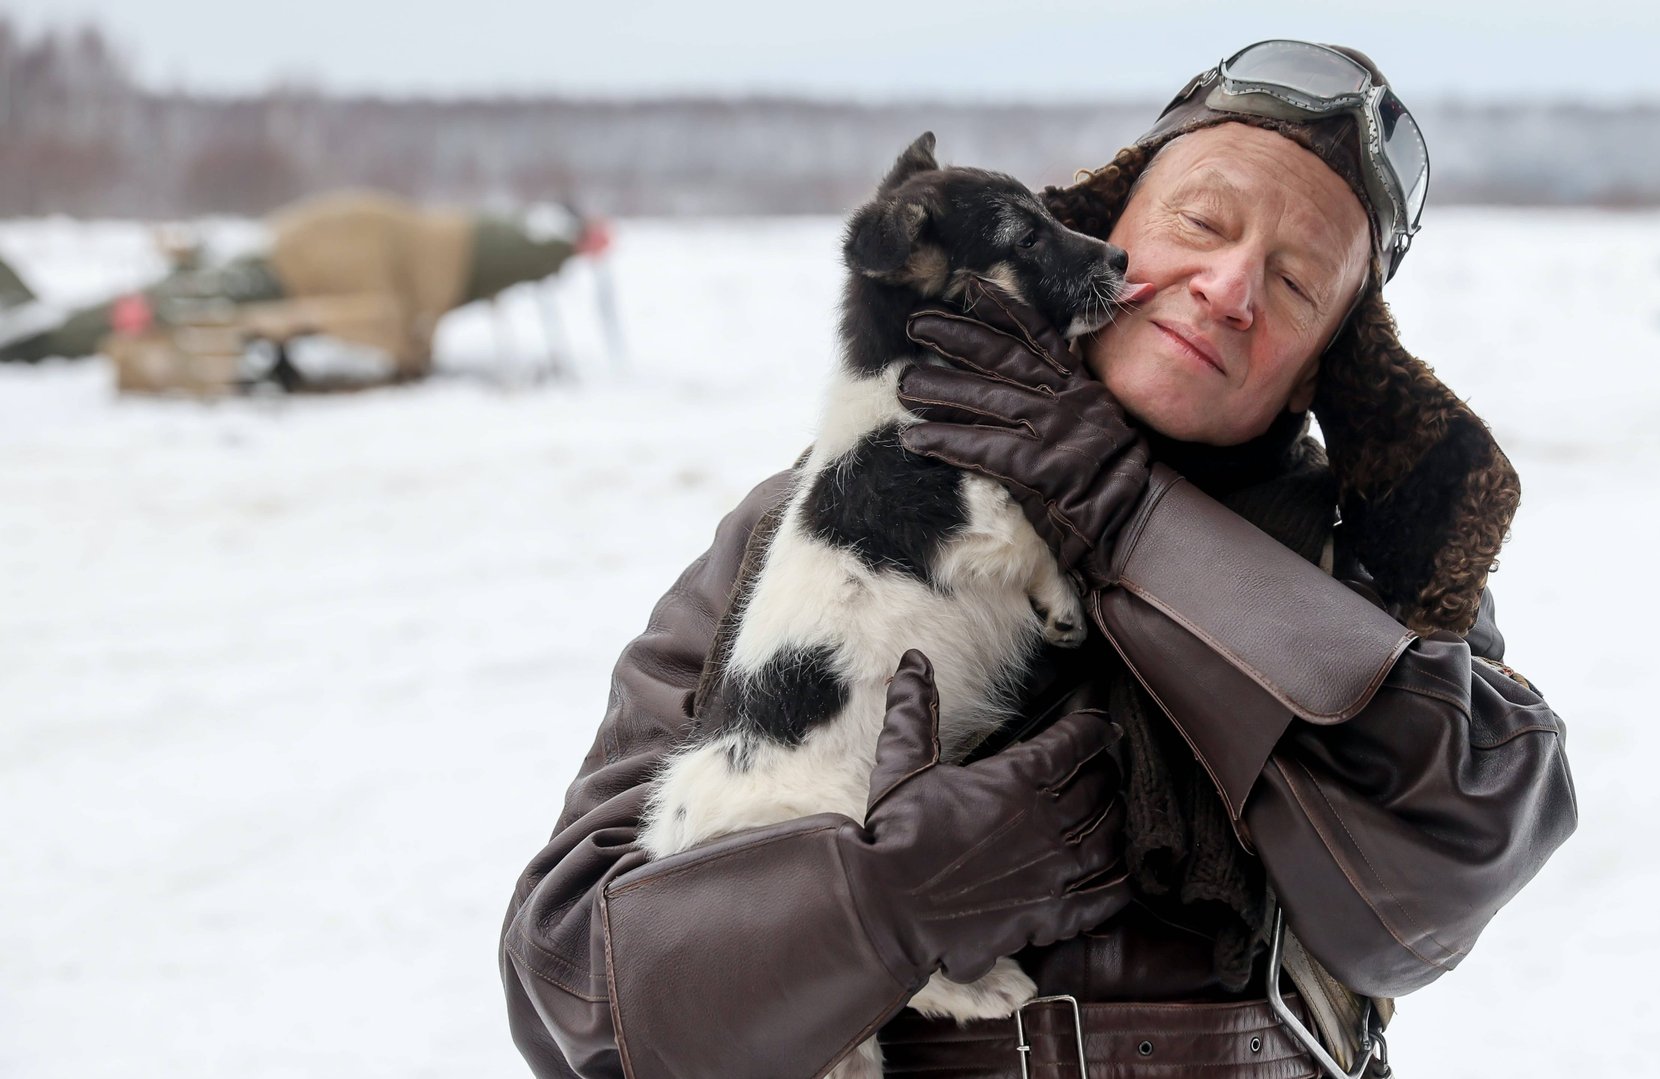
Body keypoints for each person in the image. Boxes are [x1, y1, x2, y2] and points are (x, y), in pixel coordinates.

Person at [500, 40, 1576, 1078]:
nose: (1230, 285)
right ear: (1109, 236)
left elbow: (1450, 862)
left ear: (1314, 376)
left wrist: (1135, 520)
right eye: (1202, 221)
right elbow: (576, 996)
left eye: (1294, 286)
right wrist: (882, 903)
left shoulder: (1368, 585)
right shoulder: (814, 522)